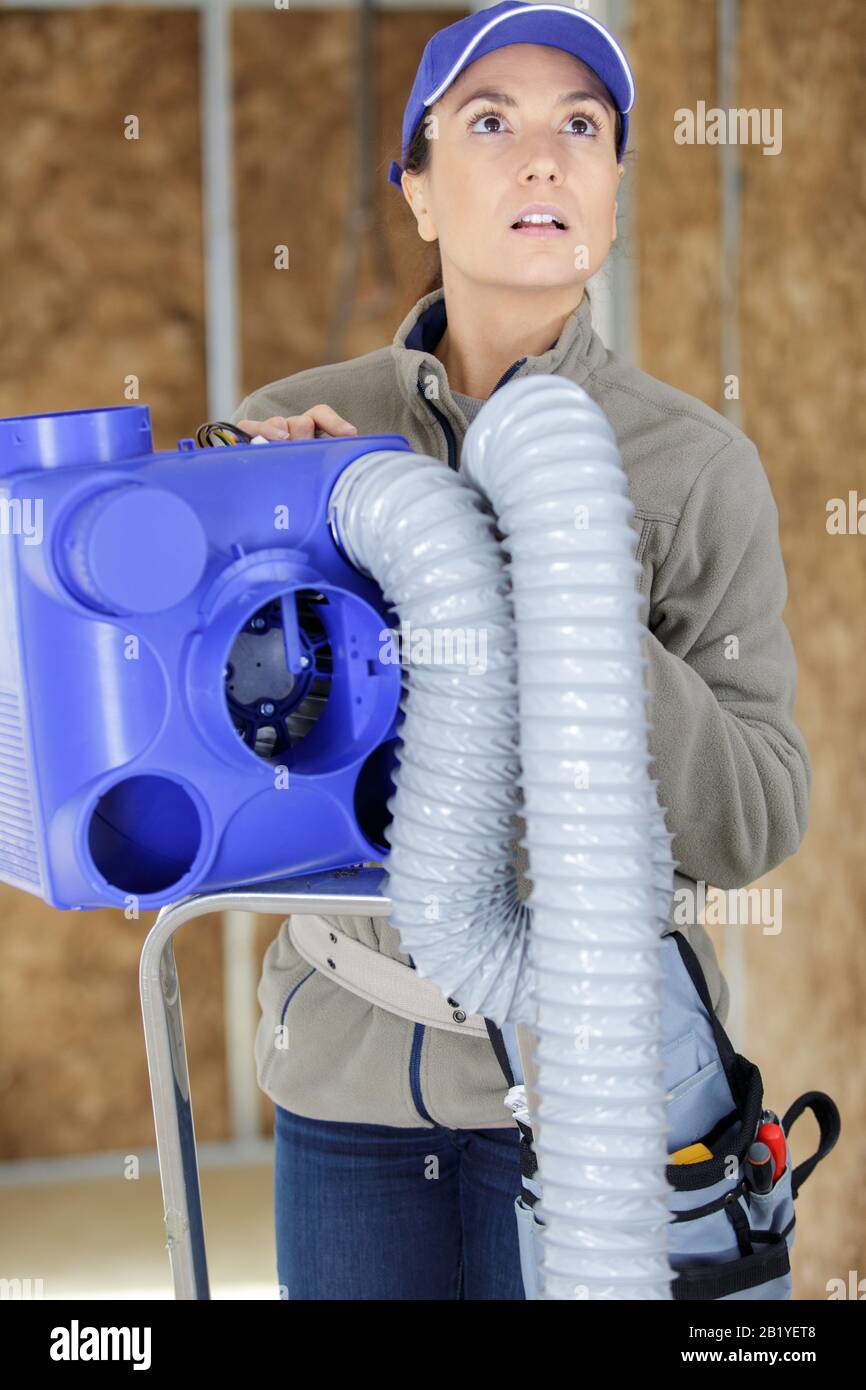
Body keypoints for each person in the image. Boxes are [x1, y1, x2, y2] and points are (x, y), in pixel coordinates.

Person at [231, 1, 810, 1300]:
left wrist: (570, 585)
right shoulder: (292, 445)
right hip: (347, 1080)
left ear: (610, 190)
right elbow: (205, 793)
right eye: (487, 122)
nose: (539, 156)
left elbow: (759, 816)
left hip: (602, 1076)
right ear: (420, 192)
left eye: (579, 126)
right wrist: (270, 567)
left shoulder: (693, 468)